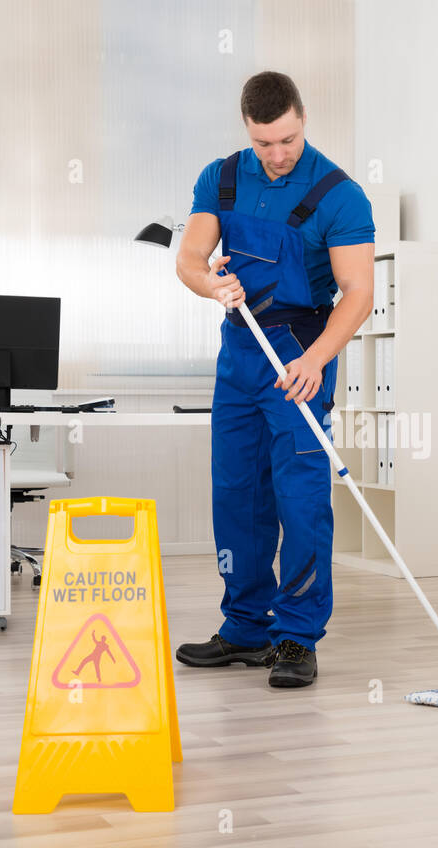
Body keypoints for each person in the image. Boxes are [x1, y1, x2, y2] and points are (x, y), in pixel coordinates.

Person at [173, 71, 375, 688]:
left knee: (300, 495)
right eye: (265, 143)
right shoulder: (222, 176)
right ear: (247, 131)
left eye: (287, 139)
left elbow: (359, 294)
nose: (278, 154)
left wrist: (316, 359)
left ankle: (295, 637)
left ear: (303, 117)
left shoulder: (340, 194)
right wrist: (212, 283)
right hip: (240, 351)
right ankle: (244, 627)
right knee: (237, 491)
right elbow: (189, 258)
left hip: (299, 352)